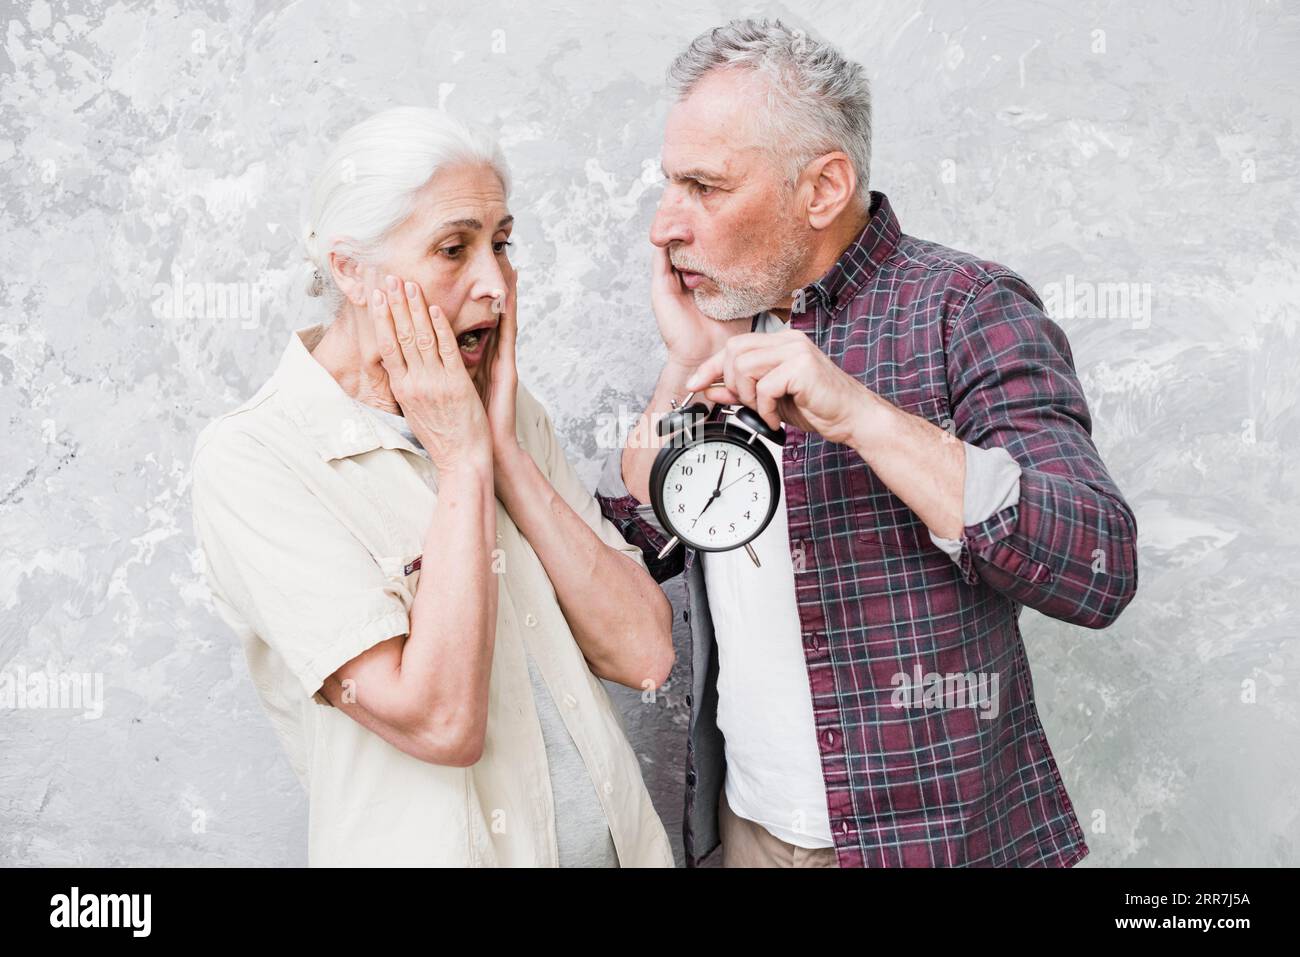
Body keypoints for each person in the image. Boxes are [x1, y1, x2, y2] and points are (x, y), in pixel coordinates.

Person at [597, 19, 1139, 868]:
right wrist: (687, 361)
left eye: (705, 186)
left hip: (935, 848)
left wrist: (861, 416)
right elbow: (648, 532)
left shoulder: (967, 308)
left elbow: (1097, 563)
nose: (667, 223)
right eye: (670, 184)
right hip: (750, 837)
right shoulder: (734, 308)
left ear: (822, 188)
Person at [190, 107, 675, 867]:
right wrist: (464, 463)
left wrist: (503, 447)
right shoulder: (256, 460)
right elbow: (442, 723)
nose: (497, 285)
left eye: (503, 243)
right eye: (455, 248)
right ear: (350, 269)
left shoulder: (506, 413)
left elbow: (645, 654)